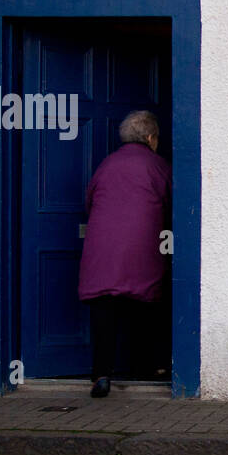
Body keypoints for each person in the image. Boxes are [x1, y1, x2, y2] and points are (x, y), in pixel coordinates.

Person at [77, 110, 172, 397]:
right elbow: (172, 204)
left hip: (102, 251)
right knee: (151, 304)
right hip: (142, 249)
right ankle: (154, 366)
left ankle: (101, 375)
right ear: (152, 138)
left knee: (105, 308)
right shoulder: (159, 167)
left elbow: (90, 200)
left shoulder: (106, 165)